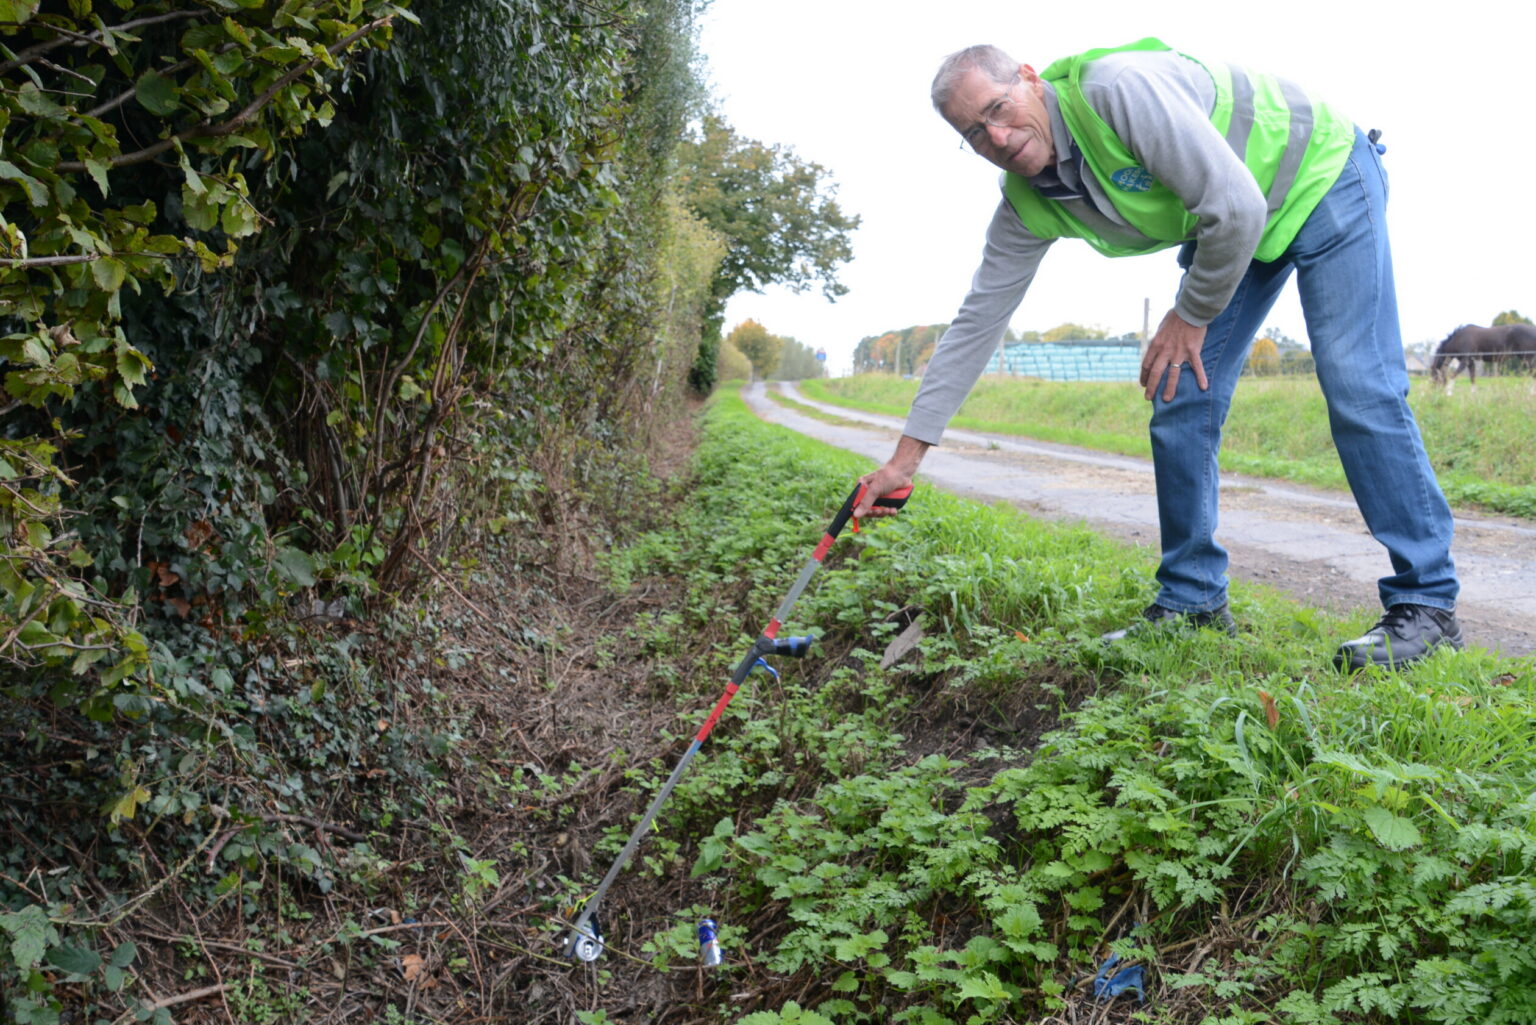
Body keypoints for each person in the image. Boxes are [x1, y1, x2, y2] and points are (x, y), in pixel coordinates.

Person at [851, 38, 1462, 670]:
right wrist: (904, 459)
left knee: (1358, 383)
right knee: (1181, 386)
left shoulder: (1116, 92)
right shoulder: (1027, 199)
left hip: (1319, 173)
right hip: (1235, 225)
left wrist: (1189, 316)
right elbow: (977, 322)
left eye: (998, 109)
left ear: (1030, 78)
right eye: (974, 134)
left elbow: (1235, 206)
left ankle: (1428, 603)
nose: (997, 138)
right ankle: (1193, 601)